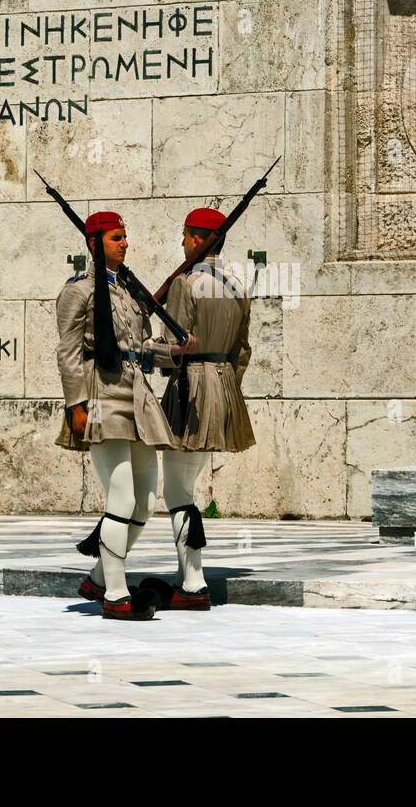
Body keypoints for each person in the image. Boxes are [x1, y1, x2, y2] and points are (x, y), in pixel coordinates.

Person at [55, 210, 197, 620]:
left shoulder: (130, 291)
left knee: (146, 502)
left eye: (125, 237)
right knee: (120, 499)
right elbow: (67, 352)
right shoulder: (77, 292)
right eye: (117, 237)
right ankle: (116, 595)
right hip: (103, 394)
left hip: (138, 395)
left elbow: (143, 345)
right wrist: (75, 405)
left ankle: (99, 576)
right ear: (96, 243)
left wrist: (173, 350)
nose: (125, 243)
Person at [142, 207, 255, 611]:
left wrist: (143, 353)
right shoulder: (238, 286)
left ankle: (193, 581)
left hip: (191, 388)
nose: (182, 243)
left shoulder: (186, 285)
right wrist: (225, 388)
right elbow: (242, 351)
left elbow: (176, 348)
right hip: (223, 388)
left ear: (197, 240)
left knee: (176, 489)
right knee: (186, 485)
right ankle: (189, 577)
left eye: (186, 236)